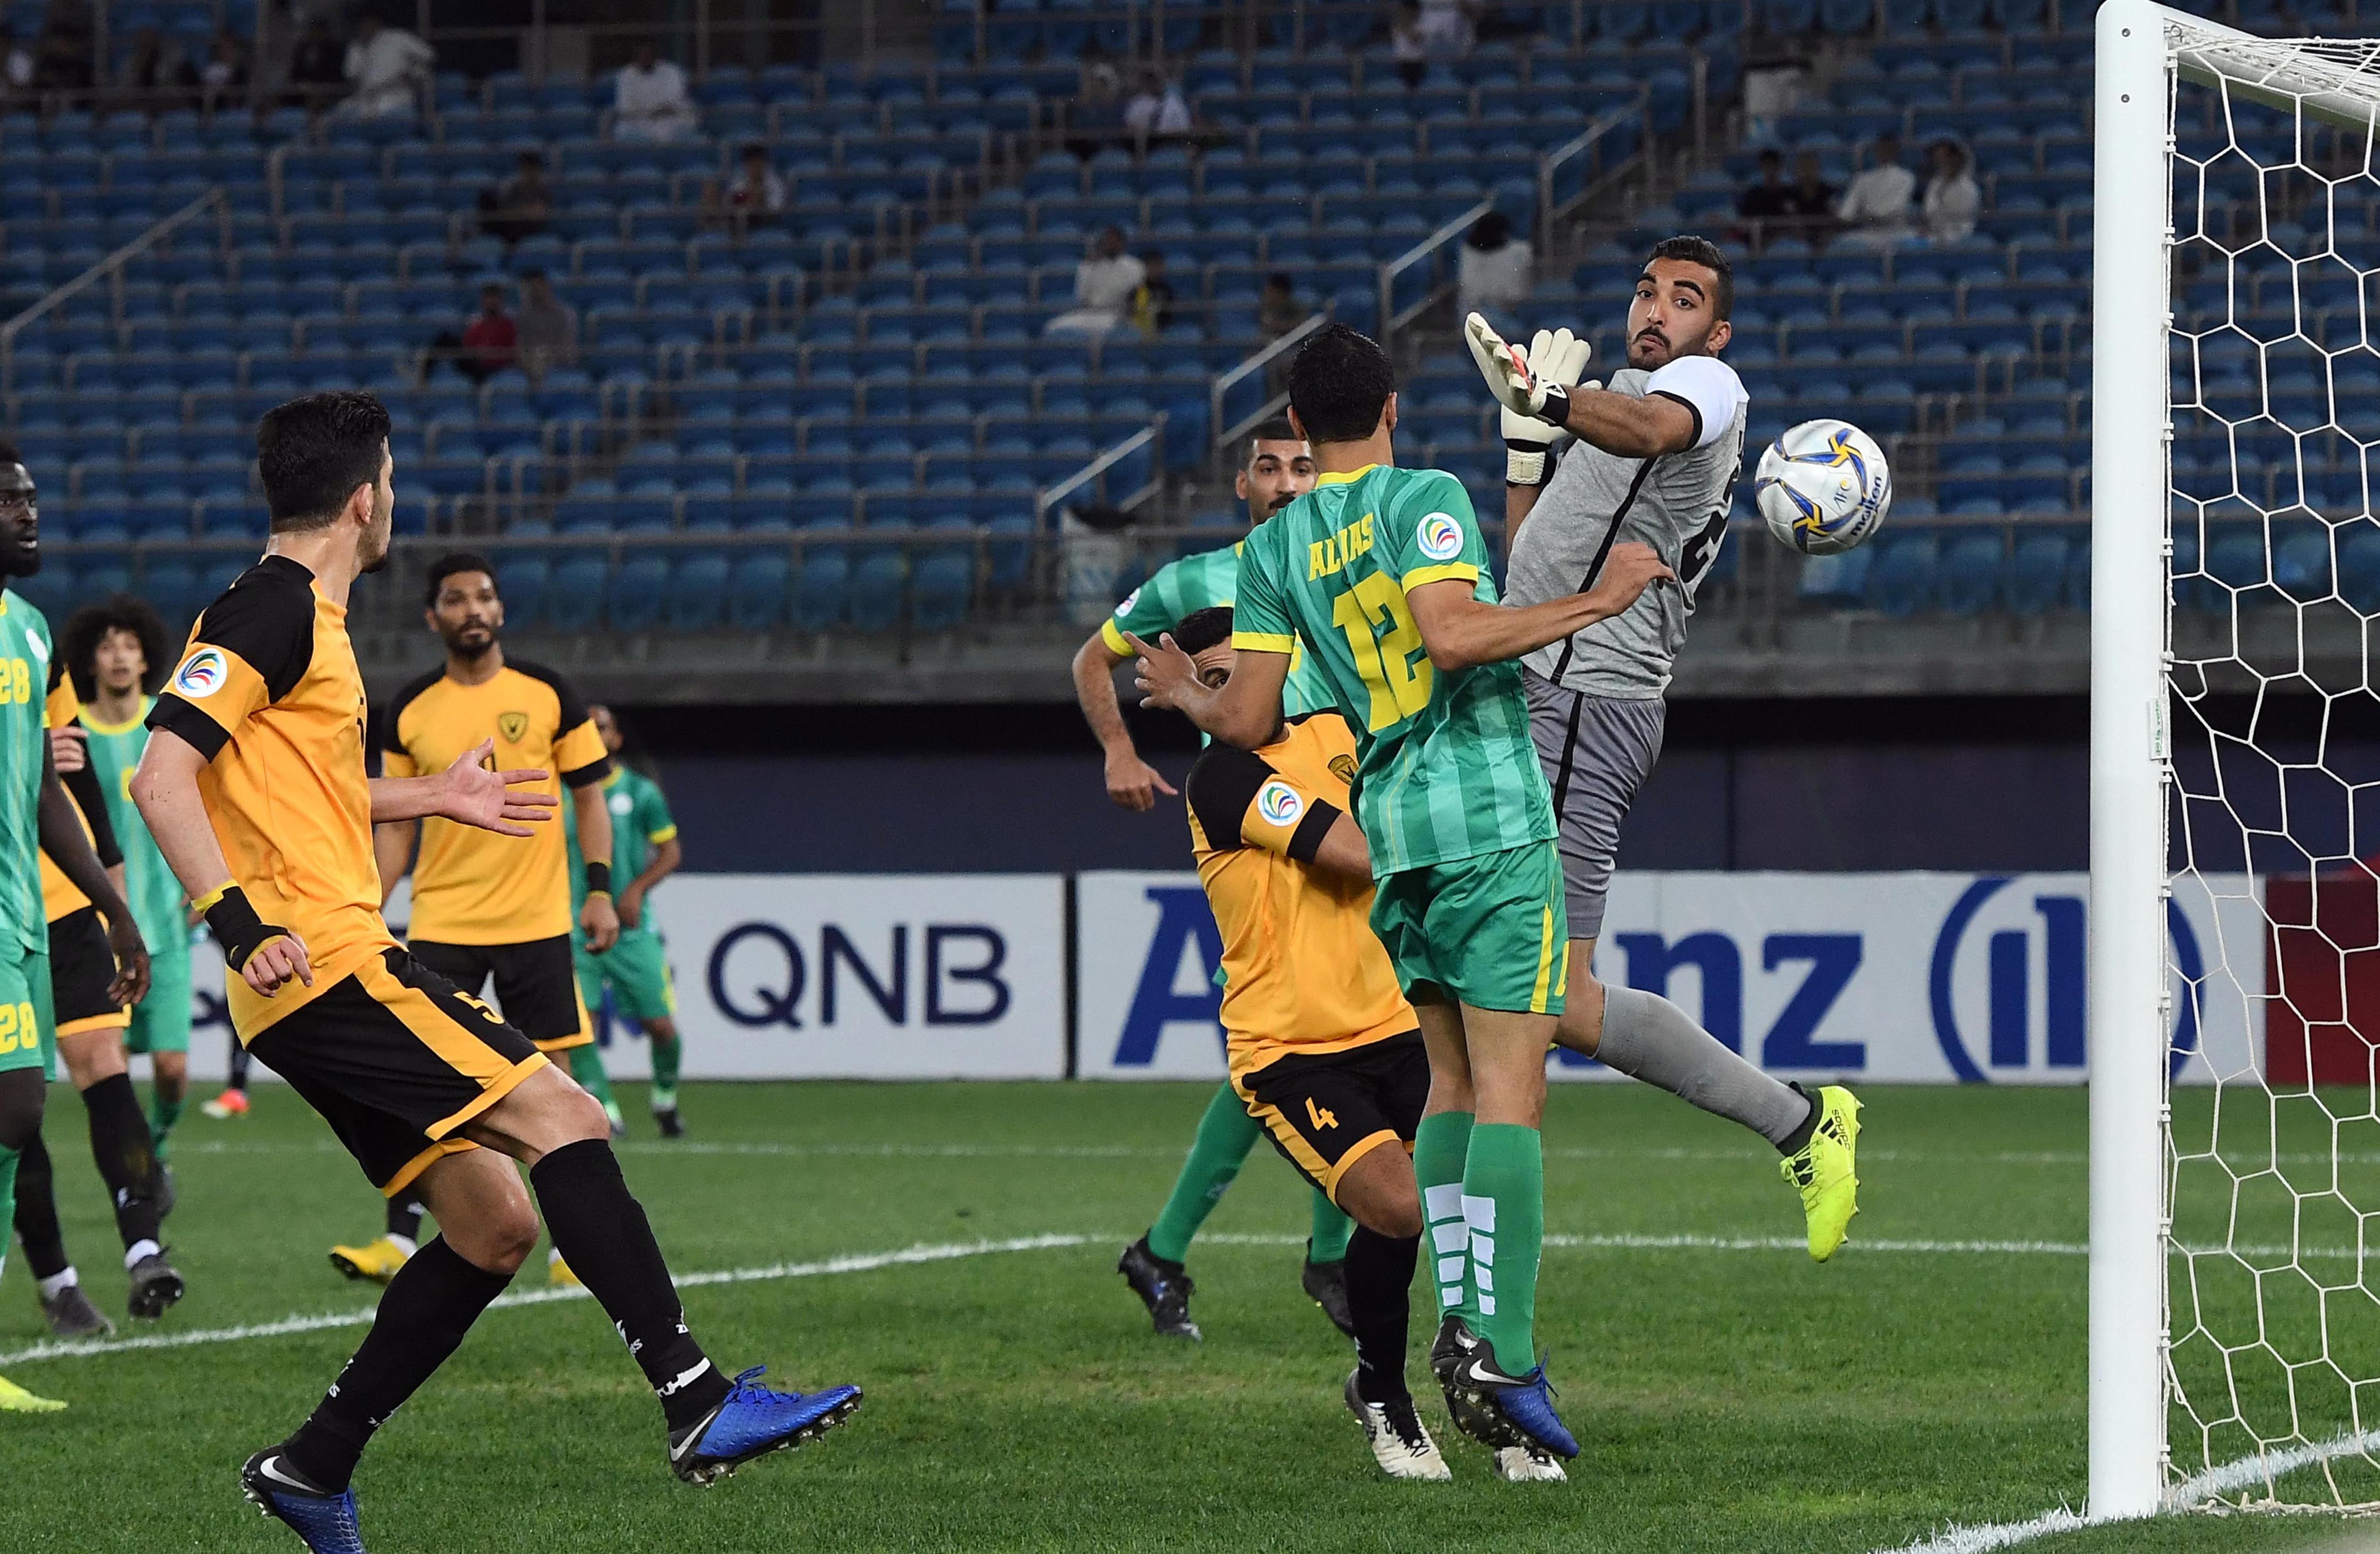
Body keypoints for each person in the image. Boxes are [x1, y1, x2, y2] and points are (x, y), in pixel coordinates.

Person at [131, 392, 859, 1545]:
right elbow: (161, 773)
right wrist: (232, 918)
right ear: (366, 498)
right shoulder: (272, 607)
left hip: (304, 976)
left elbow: (291, 791)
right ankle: (694, 1393)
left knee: (493, 1225)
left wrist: (432, 792)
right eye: (393, 483)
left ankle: (312, 1466)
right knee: (565, 1110)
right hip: (326, 963)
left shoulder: (302, 617)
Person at [1130, 323, 1672, 1465]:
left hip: (1394, 832)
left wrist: (1185, 691)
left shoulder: (1275, 548)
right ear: (1385, 410)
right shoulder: (1419, 493)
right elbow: (1453, 632)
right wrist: (1600, 599)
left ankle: (1459, 1336)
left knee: (1452, 1087)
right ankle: (1502, 1352)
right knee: (1514, 1092)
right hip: (1483, 815)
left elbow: (1245, 718)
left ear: (1298, 427)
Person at [1466, 237, 1862, 1262]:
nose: (1657, 309)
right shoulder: (1610, 398)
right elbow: (1532, 566)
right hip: (1531, 684)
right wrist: (1524, 453)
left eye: (1684, 299)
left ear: (1715, 332)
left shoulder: (1705, 389)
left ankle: (1799, 1123)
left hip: (1584, 706)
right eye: (1646, 290)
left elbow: (1648, 423)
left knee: (1550, 995)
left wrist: (1548, 406)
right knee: (1519, 986)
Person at [1072, 421, 1355, 1342]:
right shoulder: (1195, 582)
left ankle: (1174, 1252)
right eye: (1268, 467)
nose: (1284, 481)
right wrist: (1119, 750)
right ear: (1243, 484)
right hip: (1257, 836)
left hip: (1348, 829)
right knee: (1294, 1046)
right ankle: (1326, 1259)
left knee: (1329, 1042)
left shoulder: (1354, 576)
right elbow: (1092, 659)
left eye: (1302, 466)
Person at [1166, 605, 1447, 1481]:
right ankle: (1383, 1393)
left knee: (1449, 1211)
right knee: (1395, 1207)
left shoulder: (1334, 727)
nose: (1223, 694)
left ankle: (1491, 1390)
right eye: (1204, 681)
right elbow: (1355, 853)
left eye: (1233, 673)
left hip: (1397, 1021)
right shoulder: (1220, 779)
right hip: (1292, 1050)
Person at [327, 549, 621, 1289]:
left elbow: (590, 795)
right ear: (434, 617)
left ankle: (572, 1252)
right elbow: (392, 823)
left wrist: (599, 889)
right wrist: (371, 898)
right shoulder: (410, 710)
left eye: (484, 597)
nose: (473, 611)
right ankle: (398, 1242)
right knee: (419, 1084)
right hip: (444, 920)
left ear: (500, 610)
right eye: (456, 600)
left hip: (535, 921)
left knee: (555, 1086)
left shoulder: (549, 692)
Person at [0, 447, 151, 1409]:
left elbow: (45, 786)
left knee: (17, 1114)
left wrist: (112, 901)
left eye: (30, 492)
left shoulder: (26, 628)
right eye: (8, 497)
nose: (29, 507)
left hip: (20, 918)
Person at [60, 598, 194, 1189]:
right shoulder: (69, 737)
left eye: (129, 645)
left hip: (166, 928)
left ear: (146, 657)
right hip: (97, 932)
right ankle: (139, 1183)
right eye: (107, 645)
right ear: (90, 659)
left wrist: (202, 894)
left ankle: (155, 1144)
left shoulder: (168, 726)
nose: (118, 656)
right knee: (110, 1069)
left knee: (172, 1070)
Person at [567, 704, 687, 1139]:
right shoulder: (560, 793)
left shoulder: (640, 793)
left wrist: (636, 889)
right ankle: (607, 1114)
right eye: (586, 730)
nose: (595, 736)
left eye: (602, 729)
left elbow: (671, 852)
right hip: (574, 929)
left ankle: (665, 1099)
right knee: (581, 1027)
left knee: (662, 1026)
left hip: (632, 930)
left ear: (616, 739)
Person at [1047, 227, 1145, 338]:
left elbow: (1136, 296)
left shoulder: (1135, 266)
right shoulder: (1088, 265)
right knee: (1054, 326)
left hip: (1116, 314)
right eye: (1109, 241)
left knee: (1106, 332)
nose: (1112, 245)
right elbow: (1081, 296)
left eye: (1115, 242)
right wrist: (1091, 268)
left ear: (1122, 244)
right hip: (1089, 313)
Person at [337, 12, 432, 120]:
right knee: (336, 117)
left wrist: (411, 71)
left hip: (398, 98)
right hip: (365, 100)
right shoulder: (356, 46)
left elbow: (428, 55)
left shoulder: (398, 37)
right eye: (362, 24)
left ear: (377, 23)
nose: (366, 27)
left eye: (369, 23)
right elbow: (351, 75)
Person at [1455, 211, 1531, 335]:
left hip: (1509, 314)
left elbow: (1517, 294)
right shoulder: (1468, 252)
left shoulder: (1520, 251)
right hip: (1475, 313)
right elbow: (1469, 289)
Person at [1837, 132, 1916, 249]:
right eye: (1881, 148)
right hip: (1869, 232)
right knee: (1844, 242)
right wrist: (1843, 217)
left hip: (1897, 233)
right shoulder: (1862, 179)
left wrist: (1869, 215)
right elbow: (1847, 213)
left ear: (1896, 151)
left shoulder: (1907, 177)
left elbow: (1897, 208)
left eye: (1889, 148)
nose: (1884, 152)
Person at [611, 43, 696, 144]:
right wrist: (647, 113)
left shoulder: (671, 71)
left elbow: (674, 100)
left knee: (682, 127)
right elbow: (625, 106)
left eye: (648, 55)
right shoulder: (625, 75)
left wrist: (658, 111)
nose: (645, 58)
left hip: (667, 119)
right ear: (636, 57)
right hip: (637, 121)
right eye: (642, 55)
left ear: (655, 56)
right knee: (623, 131)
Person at [516, 269, 579, 383]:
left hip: (559, 366)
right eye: (530, 289)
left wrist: (549, 358)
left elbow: (569, 347)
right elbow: (521, 347)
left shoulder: (565, 314)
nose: (533, 292)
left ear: (546, 286)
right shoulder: (523, 316)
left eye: (536, 287)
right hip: (531, 367)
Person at [478, 150, 552, 246]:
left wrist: (519, 212)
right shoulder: (515, 188)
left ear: (538, 170)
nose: (528, 173)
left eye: (531, 169)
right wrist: (521, 211)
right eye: (525, 169)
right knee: (487, 198)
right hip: (509, 223)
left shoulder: (543, 191)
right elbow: (506, 208)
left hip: (528, 228)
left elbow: (538, 215)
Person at [1922, 138, 1981, 244]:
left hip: (1959, 236)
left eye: (1946, 159)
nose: (1943, 163)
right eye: (1939, 160)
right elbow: (1929, 212)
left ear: (1957, 160)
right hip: (1934, 234)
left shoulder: (1969, 188)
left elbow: (1963, 221)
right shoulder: (1935, 184)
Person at [454, 283, 517, 384]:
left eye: (495, 298)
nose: (492, 302)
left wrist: (489, 355)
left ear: (501, 301)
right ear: (483, 301)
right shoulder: (476, 325)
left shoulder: (509, 326)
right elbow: (468, 348)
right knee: (446, 338)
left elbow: (512, 352)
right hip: (476, 364)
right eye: (489, 298)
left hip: (495, 366)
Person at [286, 15, 343, 109]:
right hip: (302, 90)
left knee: (317, 101)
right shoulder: (303, 49)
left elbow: (334, 74)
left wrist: (316, 87)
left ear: (325, 32)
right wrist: (301, 85)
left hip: (324, 91)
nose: (315, 34)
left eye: (318, 31)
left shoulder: (334, 50)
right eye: (313, 30)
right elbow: (295, 73)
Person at [1123, 68, 1191, 143]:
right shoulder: (1137, 103)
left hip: (1170, 142)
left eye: (1156, 80)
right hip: (1144, 144)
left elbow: (1184, 129)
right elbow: (1130, 127)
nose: (1154, 84)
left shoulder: (1175, 103)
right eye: (1150, 81)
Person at [1129, 250, 1174, 338]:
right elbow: (1131, 312)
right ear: (1145, 268)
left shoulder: (1166, 289)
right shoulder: (1138, 289)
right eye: (1152, 266)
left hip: (1161, 329)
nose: (1155, 269)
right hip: (1138, 329)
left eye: (1158, 266)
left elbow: (1170, 313)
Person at [1259, 272, 1308, 342]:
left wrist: (1280, 326)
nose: (1267, 294)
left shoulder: (1297, 308)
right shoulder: (1268, 308)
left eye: (1271, 291)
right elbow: (1265, 325)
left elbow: (1302, 325)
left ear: (1281, 292)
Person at [1391, 2, 1427, 89]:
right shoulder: (1397, 26)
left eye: (1409, 12)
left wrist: (1406, 28)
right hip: (1401, 62)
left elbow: (1416, 39)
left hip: (1416, 63)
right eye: (1404, 12)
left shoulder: (1420, 26)